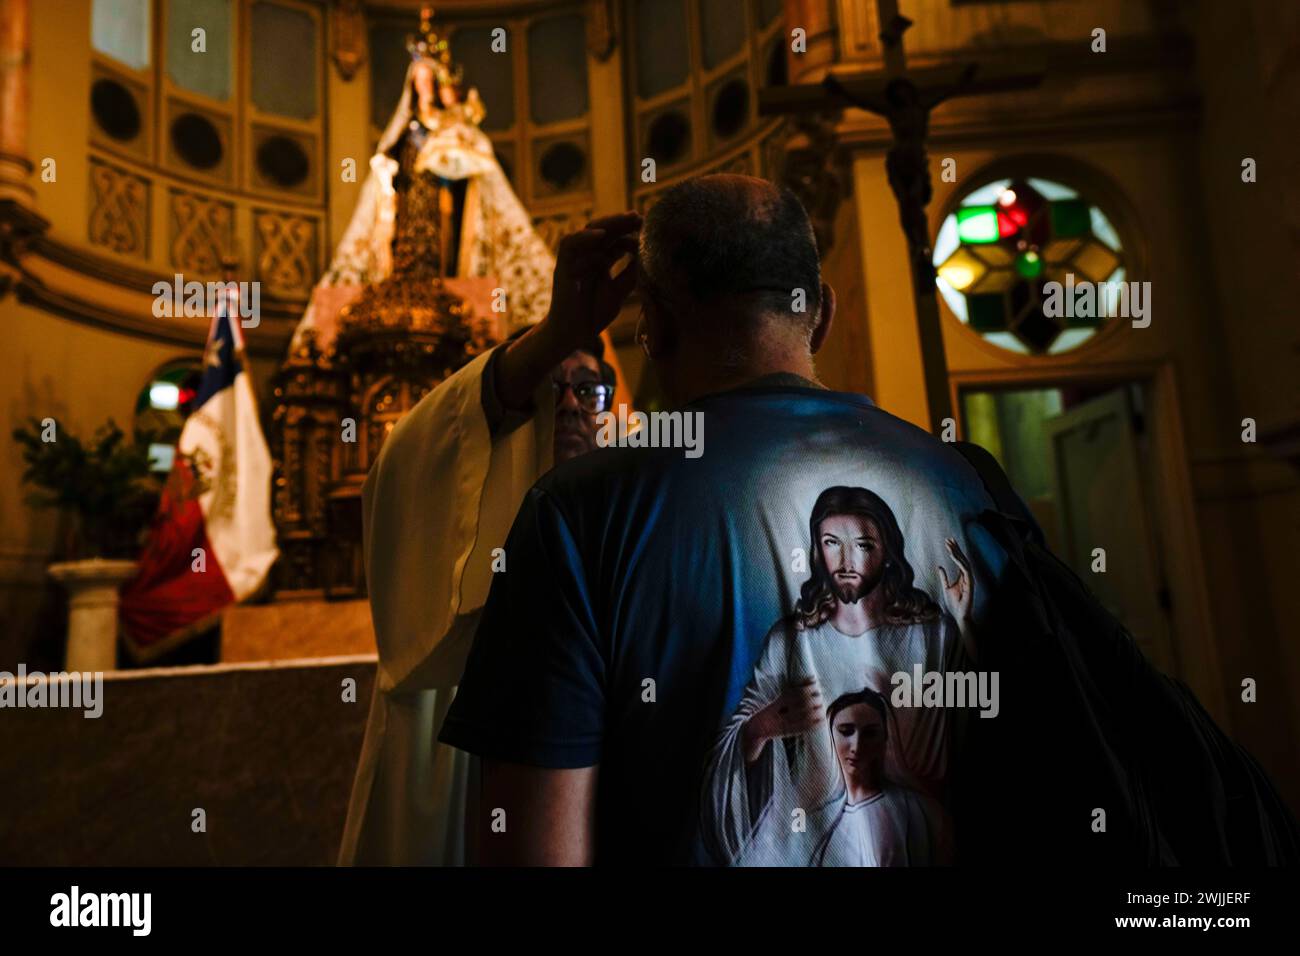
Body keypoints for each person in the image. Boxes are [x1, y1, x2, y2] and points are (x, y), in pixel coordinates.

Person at [438, 173, 1007, 865]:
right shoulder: (965, 485)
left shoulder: (577, 512)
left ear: (653, 327)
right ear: (821, 314)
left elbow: (530, 845)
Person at [337, 212, 638, 866]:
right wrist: (556, 334)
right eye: (547, 387)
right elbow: (412, 461)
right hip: (462, 767)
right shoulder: (475, 487)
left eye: (587, 389)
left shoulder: (628, 499)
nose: (568, 407)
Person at [701, 486, 966, 865]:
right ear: (816, 551)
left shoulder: (930, 634)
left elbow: (979, 735)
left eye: (862, 544)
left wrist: (966, 625)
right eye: (830, 543)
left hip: (910, 832)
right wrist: (763, 725)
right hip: (803, 837)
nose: (845, 560)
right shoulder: (790, 640)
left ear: (886, 551)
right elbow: (734, 749)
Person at [808, 688, 944, 867]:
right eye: (846, 731)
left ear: (885, 738)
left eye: (870, 733)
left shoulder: (910, 807)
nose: (856, 746)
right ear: (830, 736)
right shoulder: (821, 816)